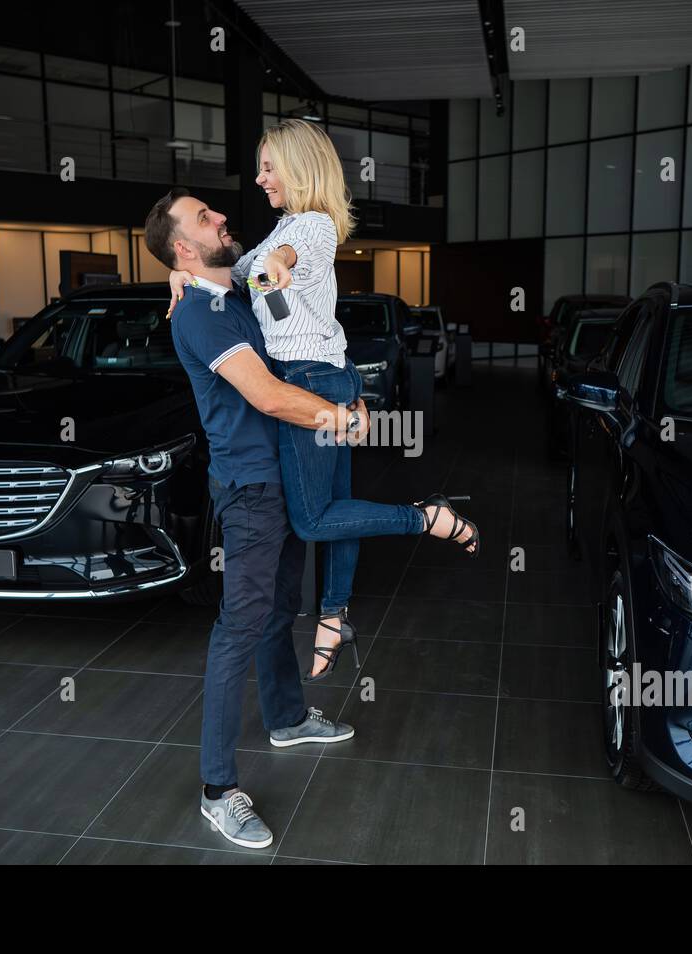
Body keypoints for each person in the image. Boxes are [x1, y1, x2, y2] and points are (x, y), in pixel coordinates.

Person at [168, 119, 480, 682]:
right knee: (338, 508)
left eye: (269, 167)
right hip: (327, 375)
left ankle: (426, 518)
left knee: (312, 520)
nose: (260, 179)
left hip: (308, 379)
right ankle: (334, 616)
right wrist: (178, 268)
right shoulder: (280, 228)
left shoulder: (309, 228)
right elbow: (230, 274)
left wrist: (277, 268)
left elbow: (285, 258)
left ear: (299, 167)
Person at [145, 188, 358, 850]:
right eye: (206, 219)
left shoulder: (229, 295)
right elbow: (266, 393)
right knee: (239, 626)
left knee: (275, 612)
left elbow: (289, 319)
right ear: (183, 245)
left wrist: (183, 275)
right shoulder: (199, 320)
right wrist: (341, 418)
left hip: (287, 474)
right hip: (251, 488)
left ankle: (288, 718)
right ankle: (217, 790)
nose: (222, 219)